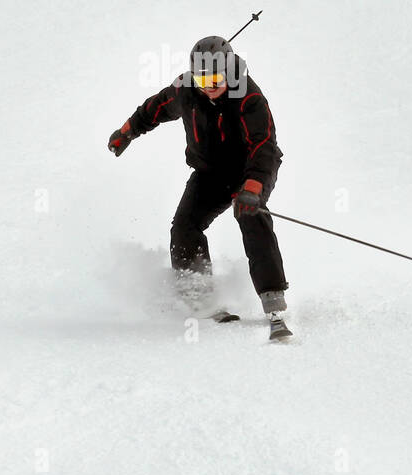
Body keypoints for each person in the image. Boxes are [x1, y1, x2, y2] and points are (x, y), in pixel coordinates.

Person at [107, 36, 290, 337]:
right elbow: (152, 110)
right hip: (210, 173)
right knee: (184, 226)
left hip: (251, 169)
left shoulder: (248, 97)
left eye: (216, 77)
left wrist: (253, 187)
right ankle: (198, 295)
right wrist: (126, 133)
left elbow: (264, 145)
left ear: (229, 71)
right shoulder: (185, 91)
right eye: (202, 77)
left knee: (250, 214)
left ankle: (272, 297)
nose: (209, 85)